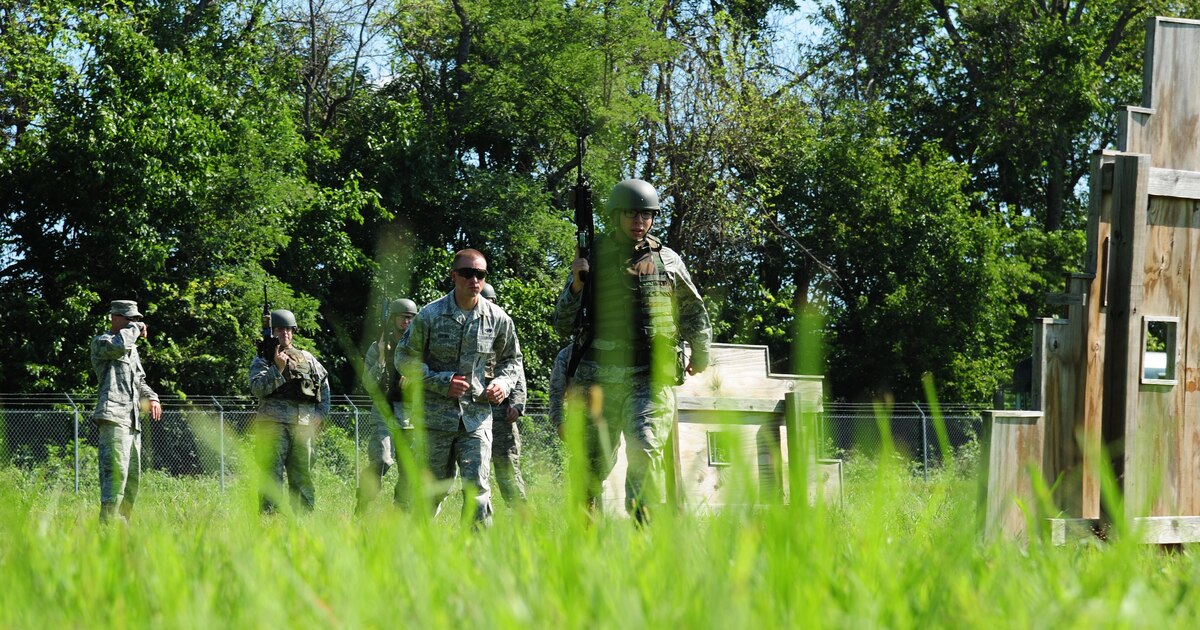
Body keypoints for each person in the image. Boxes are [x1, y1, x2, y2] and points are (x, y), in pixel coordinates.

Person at [553, 178, 712, 522]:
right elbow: (563, 323)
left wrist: (700, 351)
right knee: (593, 462)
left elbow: (693, 309)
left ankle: (643, 531)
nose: (638, 220)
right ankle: (585, 535)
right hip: (598, 380)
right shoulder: (591, 257)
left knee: (644, 448)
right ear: (615, 215)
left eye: (645, 214)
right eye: (630, 213)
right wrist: (577, 284)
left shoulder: (668, 260)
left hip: (649, 377)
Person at [396, 249, 523, 528]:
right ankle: (420, 551)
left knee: (477, 489)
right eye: (467, 273)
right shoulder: (430, 315)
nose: (474, 279)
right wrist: (440, 381)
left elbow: (512, 360)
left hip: (476, 418)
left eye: (480, 274)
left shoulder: (497, 318)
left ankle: (478, 556)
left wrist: (502, 384)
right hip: (434, 420)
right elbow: (403, 358)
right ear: (454, 276)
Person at [248, 308, 331, 513]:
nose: (284, 333)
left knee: (302, 477)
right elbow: (257, 388)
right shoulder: (264, 359)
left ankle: (303, 524)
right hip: (273, 426)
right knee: (271, 476)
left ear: (293, 331)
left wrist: (321, 414)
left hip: (302, 426)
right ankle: (270, 523)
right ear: (272, 331)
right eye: (279, 329)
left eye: (288, 329)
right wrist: (277, 369)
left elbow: (324, 386)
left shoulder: (307, 359)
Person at [90, 300, 163, 523]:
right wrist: (134, 329)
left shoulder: (131, 349)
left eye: (137, 320)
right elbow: (119, 345)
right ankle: (107, 528)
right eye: (130, 319)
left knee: (132, 479)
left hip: (132, 422)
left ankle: (122, 527)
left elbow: (139, 380)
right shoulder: (103, 342)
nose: (136, 324)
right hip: (113, 416)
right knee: (115, 477)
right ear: (115, 318)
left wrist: (152, 398)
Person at [355, 297, 419, 514]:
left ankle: (402, 512)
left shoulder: (419, 348)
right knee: (382, 460)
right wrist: (382, 358)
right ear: (393, 319)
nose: (406, 322)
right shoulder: (378, 346)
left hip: (410, 416)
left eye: (411, 318)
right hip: (384, 412)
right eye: (403, 317)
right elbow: (368, 384)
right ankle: (362, 504)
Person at [481, 283, 528, 507]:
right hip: (473, 409)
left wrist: (518, 405)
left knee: (507, 466)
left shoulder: (504, 329)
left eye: (491, 302)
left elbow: (516, 368)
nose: (488, 307)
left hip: (502, 411)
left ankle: (520, 516)